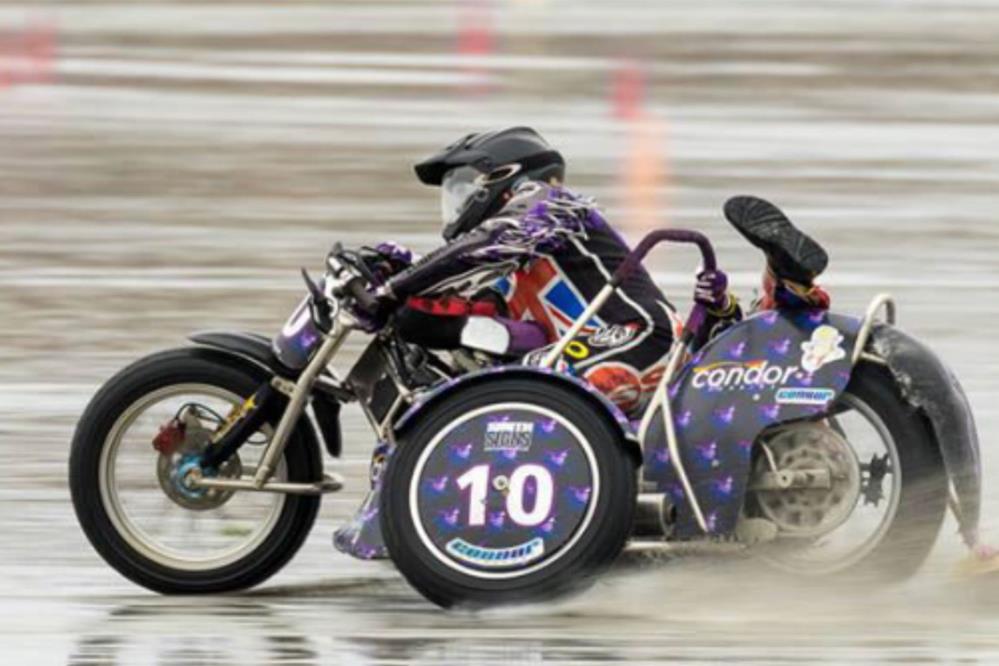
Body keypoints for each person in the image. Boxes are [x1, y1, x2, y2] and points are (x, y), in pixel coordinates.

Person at [358, 127, 829, 418]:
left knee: (526, 391)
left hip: (636, 338)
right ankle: (784, 285)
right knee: (500, 376)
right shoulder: (506, 275)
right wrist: (407, 313)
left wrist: (391, 288)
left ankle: (785, 281)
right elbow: (500, 332)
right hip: (606, 348)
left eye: (461, 188)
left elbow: (484, 243)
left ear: (505, 179)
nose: (455, 206)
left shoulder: (547, 205)